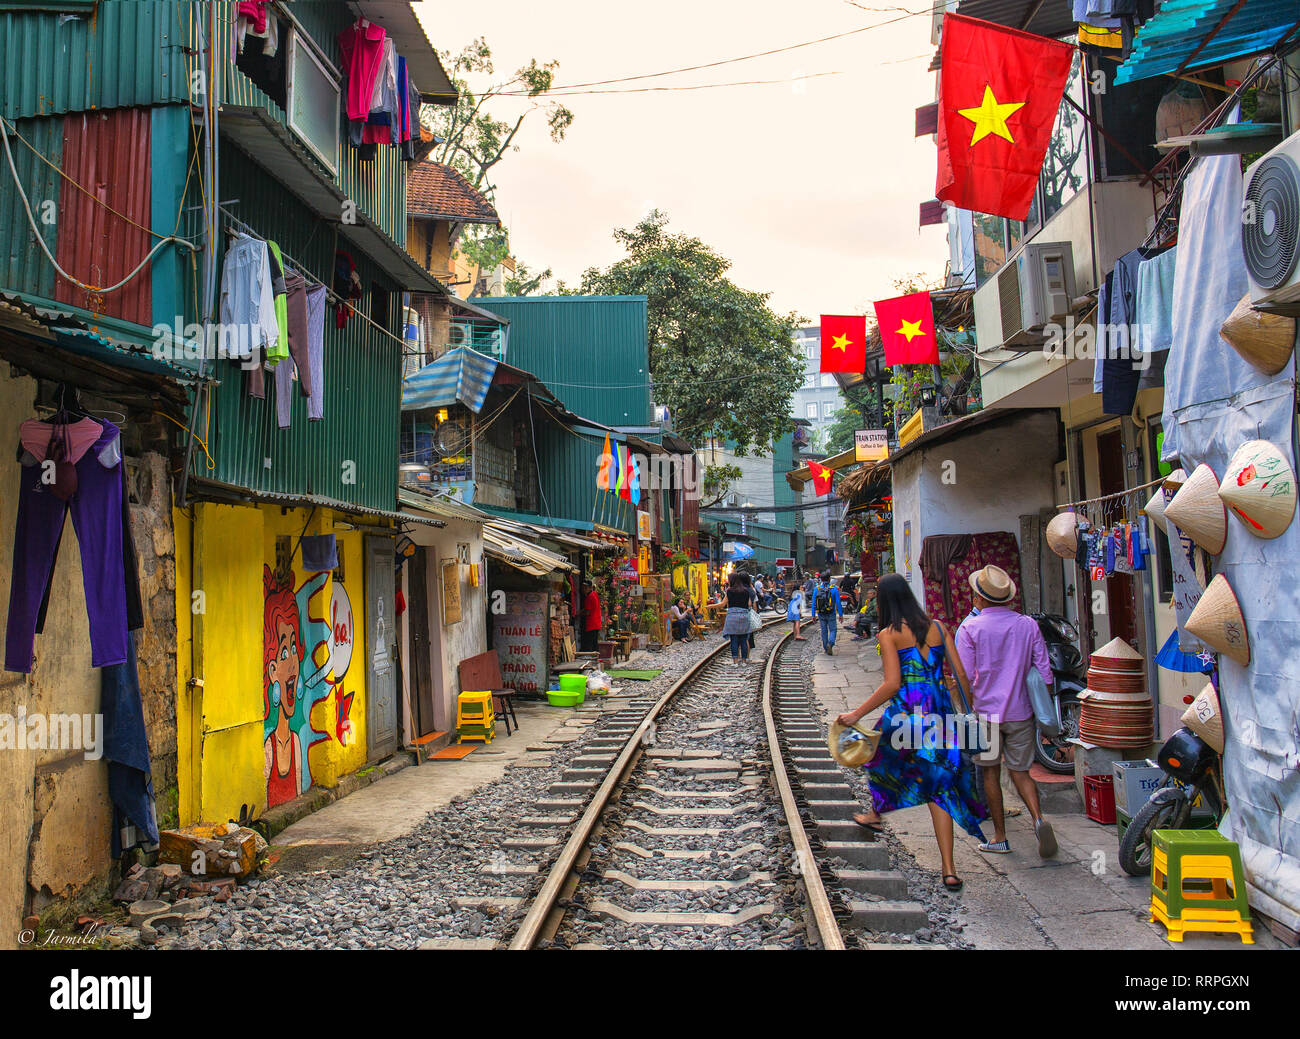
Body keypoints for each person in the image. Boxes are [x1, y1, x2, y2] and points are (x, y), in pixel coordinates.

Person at [836, 573, 990, 892]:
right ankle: (949, 869)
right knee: (939, 787)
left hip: (908, 711)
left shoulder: (889, 634)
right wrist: (968, 708)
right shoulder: (937, 627)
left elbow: (892, 683)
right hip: (939, 711)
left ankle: (876, 814)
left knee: (880, 759)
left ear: (885, 600)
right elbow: (960, 672)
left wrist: (855, 714)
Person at [956, 564, 1058, 859]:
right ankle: (1038, 818)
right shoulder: (1027, 624)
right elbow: (1045, 672)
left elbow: (964, 673)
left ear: (979, 598)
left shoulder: (970, 628)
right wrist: (1043, 705)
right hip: (1021, 712)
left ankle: (1000, 837)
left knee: (989, 772)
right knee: (1021, 772)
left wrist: (968, 705)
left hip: (986, 713)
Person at [720, 574, 755, 665]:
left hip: (732, 617)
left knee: (734, 640)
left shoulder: (729, 591)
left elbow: (722, 604)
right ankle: (744, 661)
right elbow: (749, 604)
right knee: (744, 639)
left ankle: (735, 662)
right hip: (744, 617)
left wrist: (710, 606)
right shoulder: (745, 591)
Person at [812, 572, 843, 654]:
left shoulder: (817, 589)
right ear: (829, 579)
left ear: (821, 579)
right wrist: (840, 614)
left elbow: (814, 603)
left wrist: (813, 615)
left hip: (821, 613)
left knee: (824, 631)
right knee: (833, 630)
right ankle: (830, 643)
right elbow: (838, 602)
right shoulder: (834, 589)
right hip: (831, 612)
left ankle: (826, 648)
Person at [580, 581, 602, 653]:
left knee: (589, 644)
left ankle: (590, 659)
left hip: (591, 624)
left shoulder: (589, 597)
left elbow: (587, 612)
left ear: (590, 588)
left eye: (586, 588)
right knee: (594, 643)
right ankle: (595, 658)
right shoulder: (594, 594)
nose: (584, 589)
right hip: (596, 623)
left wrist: (579, 613)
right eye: (583, 587)